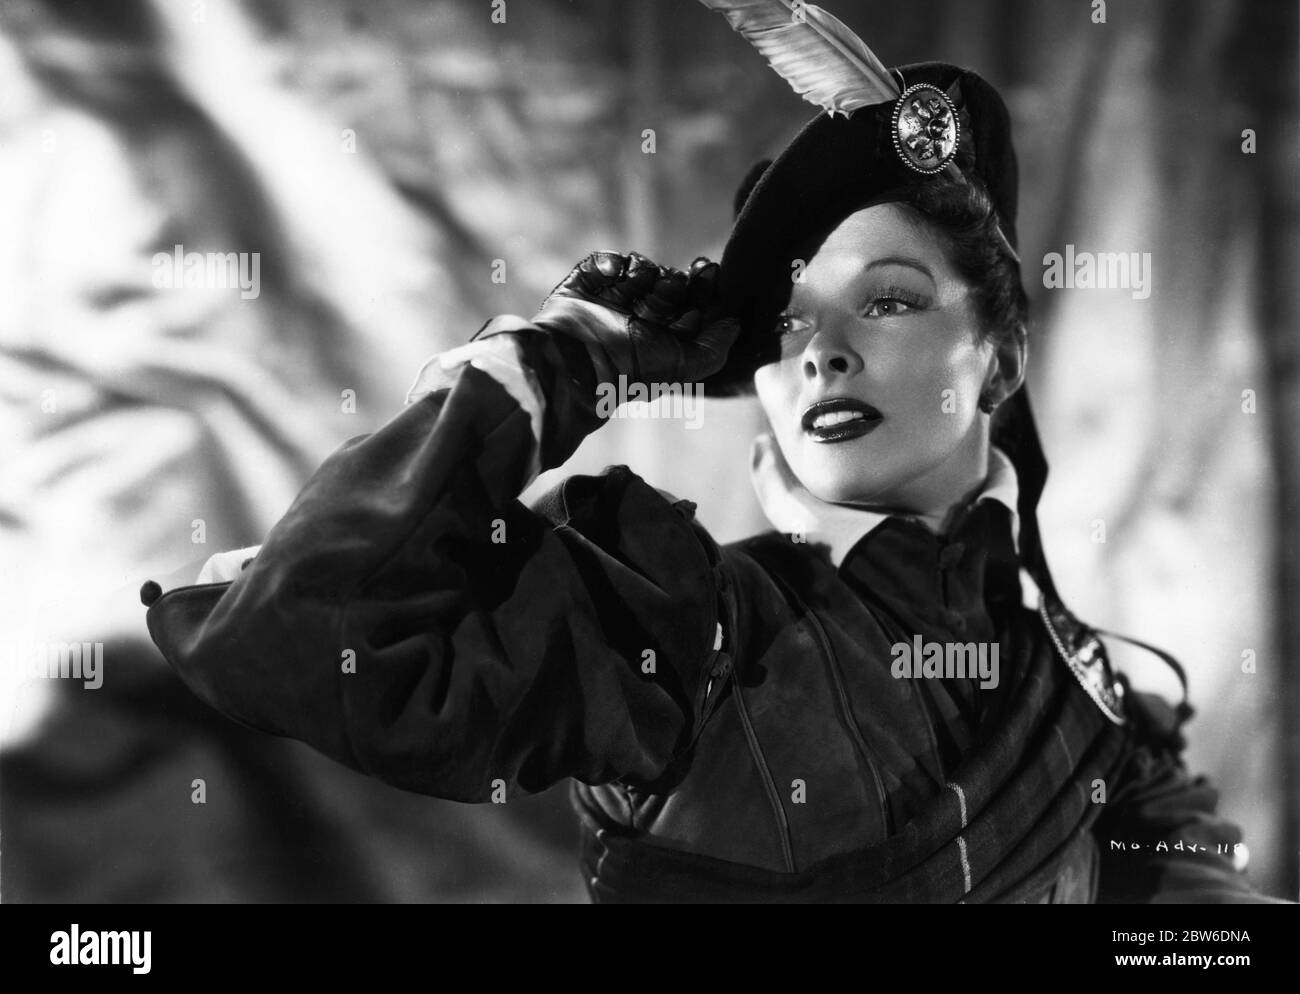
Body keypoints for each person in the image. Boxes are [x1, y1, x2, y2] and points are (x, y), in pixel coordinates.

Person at [144, 61, 1280, 903]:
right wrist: (559, 360)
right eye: (787, 326)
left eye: (887, 299)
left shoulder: (1096, 702)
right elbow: (286, 633)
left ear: (1001, 358)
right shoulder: (669, 627)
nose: (824, 352)